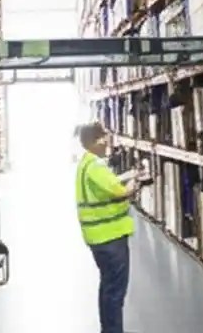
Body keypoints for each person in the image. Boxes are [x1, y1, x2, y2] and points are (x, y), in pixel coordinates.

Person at [75, 122, 145, 333]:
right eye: (103, 138)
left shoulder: (88, 163)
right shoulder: (96, 165)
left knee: (108, 287)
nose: (107, 142)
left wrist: (129, 175)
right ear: (94, 141)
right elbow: (118, 191)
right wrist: (135, 185)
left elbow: (109, 182)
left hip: (99, 237)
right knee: (115, 293)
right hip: (109, 236)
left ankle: (107, 329)